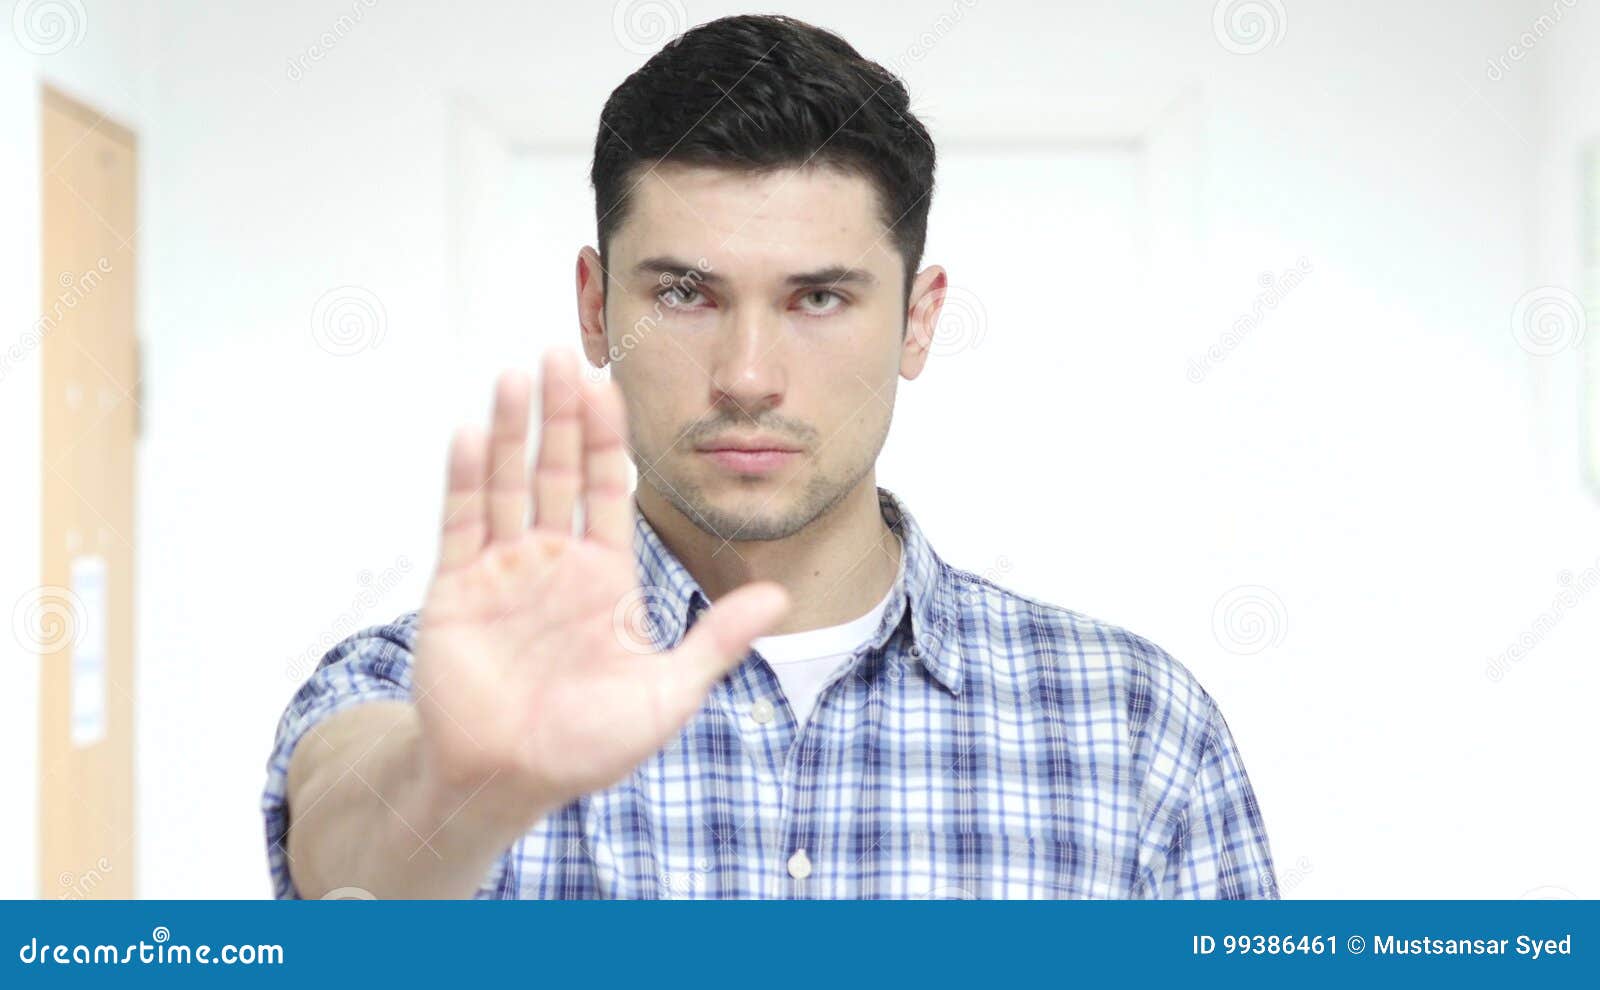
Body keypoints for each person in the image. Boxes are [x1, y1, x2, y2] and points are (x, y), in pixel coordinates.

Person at [261, 13, 1277, 900]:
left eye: (818, 298)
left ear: (918, 322)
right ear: (593, 306)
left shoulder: (1136, 727)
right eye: (685, 294)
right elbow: (347, 860)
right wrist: (453, 788)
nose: (747, 376)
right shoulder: (433, 686)